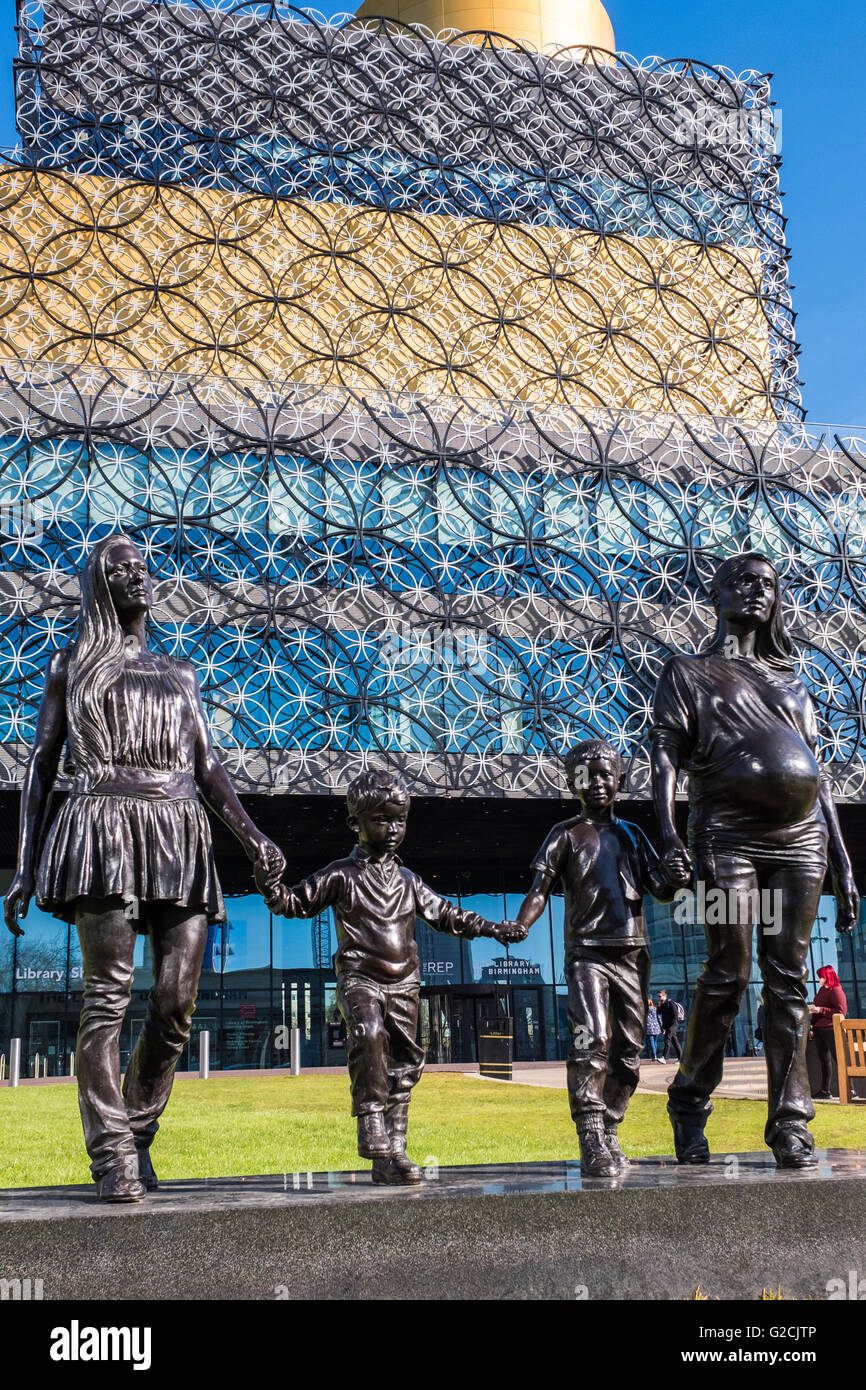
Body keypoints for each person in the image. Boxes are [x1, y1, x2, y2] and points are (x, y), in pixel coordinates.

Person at [3, 536, 285, 1201]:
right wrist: (23, 864)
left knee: (175, 1003)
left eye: (143, 566)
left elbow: (207, 767)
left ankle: (137, 1132)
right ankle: (112, 1155)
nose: (137, 575)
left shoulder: (180, 673)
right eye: (120, 569)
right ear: (98, 585)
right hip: (102, 824)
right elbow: (40, 767)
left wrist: (252, 837)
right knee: (108, 998)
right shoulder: (70, 666)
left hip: (178, 828)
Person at [651, 551, 859, 1168]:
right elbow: (664, 762)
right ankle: (690, 1099)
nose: (758, 592)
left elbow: (819, 780)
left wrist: (844, 864)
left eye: (769, 585)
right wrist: (668, 836)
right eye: (744, 581)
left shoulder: (793, 680)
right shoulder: (687, 673)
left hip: (802, 841)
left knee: (790, 979)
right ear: (715, 596)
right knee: (729, 972)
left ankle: (790, 1121)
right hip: (725, 836)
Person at [257, 768, 523, 1183]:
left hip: (405, 984)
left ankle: (393, 1156)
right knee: (366, 1031)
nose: (392, 829)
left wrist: (493, 929)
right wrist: (271, 887)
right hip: (360, 979)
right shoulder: (340, 874)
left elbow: (450, 915)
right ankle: (369, 1119)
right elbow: (295, 903)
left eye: (399, 819)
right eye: (381, 819)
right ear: (355, 824)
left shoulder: (408, 880)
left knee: (403, 1067)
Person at [512, 739, 689, 1176]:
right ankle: (590, 1132)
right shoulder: (565, 834)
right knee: (591, 1038)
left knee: (629, 1050)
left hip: (632, 953)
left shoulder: (633, 835)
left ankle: (611, 1125)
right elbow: (539, 890)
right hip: (586, 954)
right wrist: (522, 924)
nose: (595, 783)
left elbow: (660, 888)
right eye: (585, 776)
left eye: (604, 774)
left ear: (621, 781)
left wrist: (677, 876)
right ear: (571, 783)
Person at [809, 965, 848, 1099]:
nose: (819, 979)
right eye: (819, 977)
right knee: (824, 1060)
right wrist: (812, 1026)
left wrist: (821, 1010)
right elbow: (817, 1010)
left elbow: (841, 1012)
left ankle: (851, 1090)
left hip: (832, 1029)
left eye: (821, 977)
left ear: (828, 976)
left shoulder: (836, 991)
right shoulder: (822, 990)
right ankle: (825, 1091)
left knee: (840, 1060)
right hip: (819, 1030)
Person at [657, 989, 683, 1062]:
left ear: (664, 996)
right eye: (658, 996)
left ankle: (664, 1057)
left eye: (659, 996)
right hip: (668, 1025)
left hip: (672, 1024)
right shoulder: (663, 1003)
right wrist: (659, 1005)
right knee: (675, 1042)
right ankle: (681, 1059)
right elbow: (659, 1013)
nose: (658, 998)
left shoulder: (670, 1003)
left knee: (667, 1039)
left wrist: (673, 1024)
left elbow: (675, 1014)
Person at [646, 997, 663, 1061]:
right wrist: (661, 1027)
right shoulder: (655, 1009)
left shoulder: (645, 1010)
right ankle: (655, 1055)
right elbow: (659, 1018)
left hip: (649, 1027)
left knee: (651, 1042)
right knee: (655, 1041)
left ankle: (654, 1055)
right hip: (656, 1027)